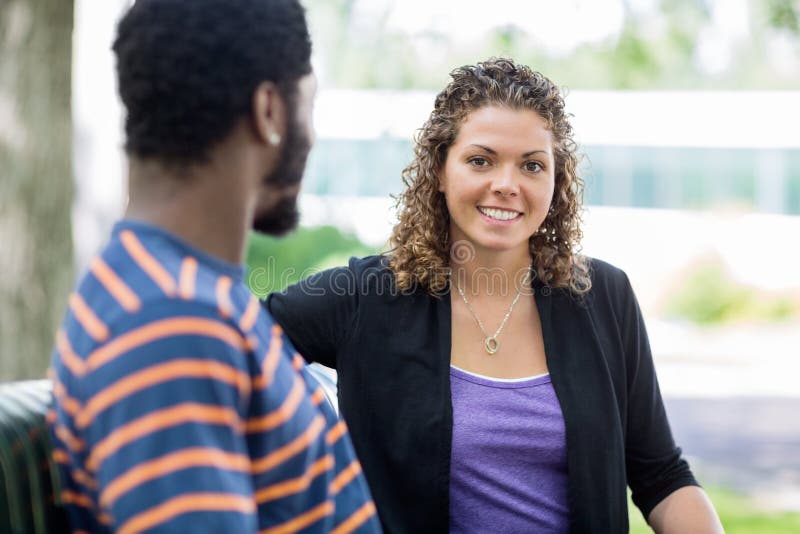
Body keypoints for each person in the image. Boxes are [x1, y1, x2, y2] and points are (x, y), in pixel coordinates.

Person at [266, 58, 724, 533]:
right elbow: (224, 339)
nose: (506, 185)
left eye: (531, 165)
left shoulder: (604, 296)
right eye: (481, 160)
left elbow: (661, 475)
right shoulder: (366, 296)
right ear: (440, 171)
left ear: (556, 182)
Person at [48, 1, 381, 532]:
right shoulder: (167, 321)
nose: (312, 136)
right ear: (269, 111)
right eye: (309, 103)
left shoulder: (177, 293)